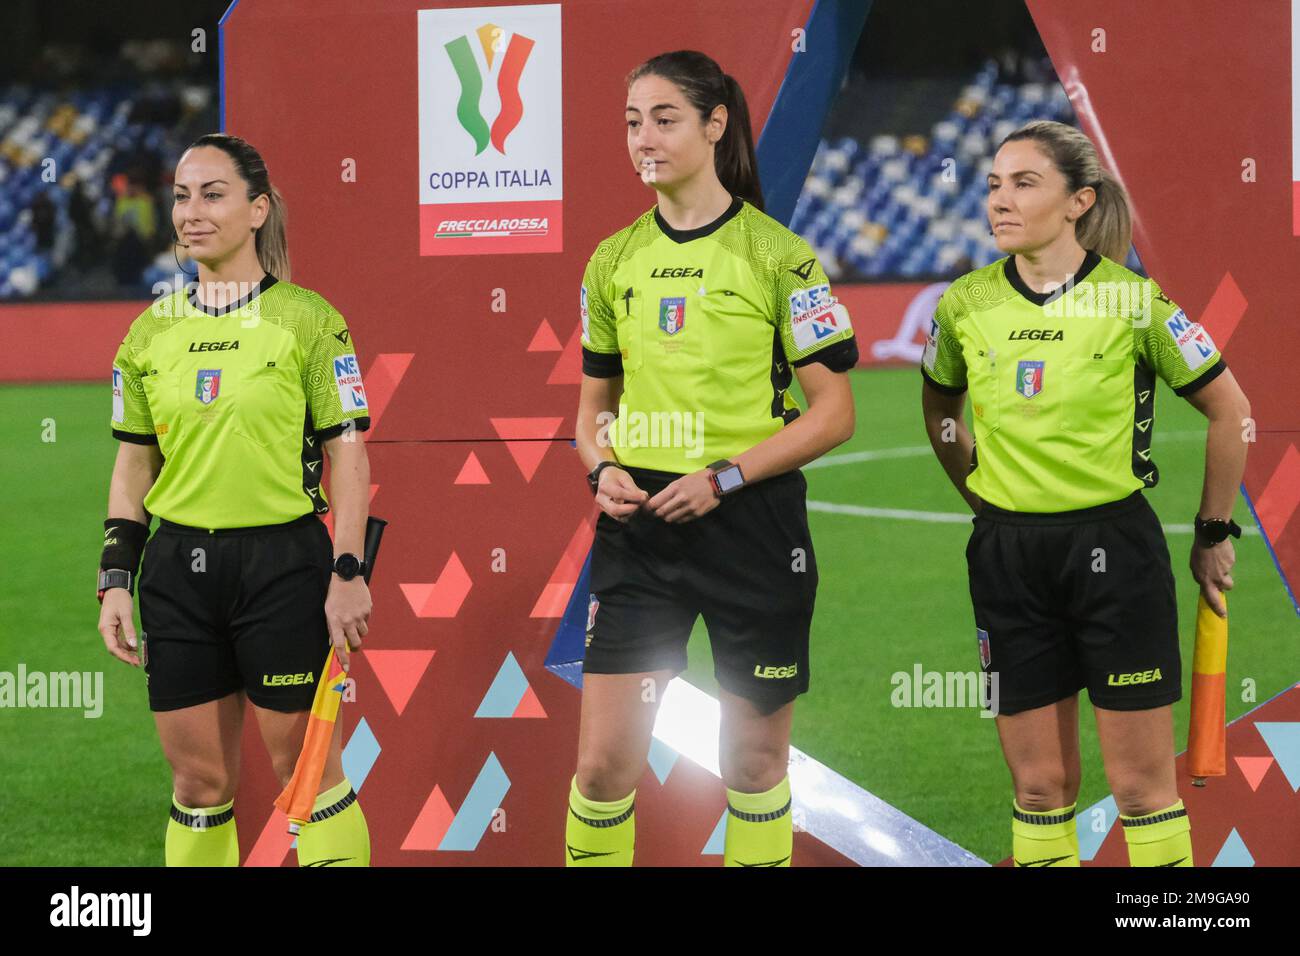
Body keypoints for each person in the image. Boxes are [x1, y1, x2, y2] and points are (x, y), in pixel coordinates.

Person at [920, 120, 1251, 867]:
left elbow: (1231, 411)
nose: (1000, 200)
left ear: (1080, 201)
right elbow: (941, 411)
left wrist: (1212, 534)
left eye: (1024, 183)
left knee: (1141, 789)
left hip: (1115, 553)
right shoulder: (963, 305)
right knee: (1039, 788)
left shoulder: (1136, 303)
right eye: (993, 184)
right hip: (1005, 558)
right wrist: (982, 496)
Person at [570, 51, 858, 867]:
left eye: (664, 119)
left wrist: (726, 477)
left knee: (755, 764)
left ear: (714, 124)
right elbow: (592, 413)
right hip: (639, 532)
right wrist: (602, 469)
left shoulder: (781, 256)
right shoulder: (610, 260)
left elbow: (836, 413)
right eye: (632, 122)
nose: (643, 140)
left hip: (752, 523)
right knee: (600, 770)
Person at [96, 133, 374, 867]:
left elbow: (349, 455)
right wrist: (115, 578)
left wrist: (348, 571)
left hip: (283, 567)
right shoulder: (148, 330)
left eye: (212, 194)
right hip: (178, 573)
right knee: (197, 782)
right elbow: (133, 465)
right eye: (182, 196)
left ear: (257, 210)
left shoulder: (309, 321)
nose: (191, 212)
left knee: (308, 777)